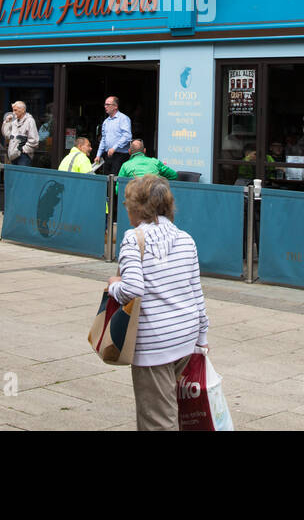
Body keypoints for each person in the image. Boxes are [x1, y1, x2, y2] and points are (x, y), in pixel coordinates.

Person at [107, 176, 209, 431]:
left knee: (158, 421)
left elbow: (131, 289)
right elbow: (196, 292)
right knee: (172, 410)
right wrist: (202, 338)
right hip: (185, 337)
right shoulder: (186, 239)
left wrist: (112, 286)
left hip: (154, 343)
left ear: (139, 208)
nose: (127, 209)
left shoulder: (133, 239)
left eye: (129, 204)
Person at [95, 95, 132, 177]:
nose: (105, 106)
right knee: (106, 179)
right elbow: (103, 139)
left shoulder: (123, 118)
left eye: (108, 104)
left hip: (120, 155)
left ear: (115, 106)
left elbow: (127, 136)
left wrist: (114, 148)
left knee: (115, 179)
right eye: (105, 104)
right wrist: (98, 155)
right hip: (108, 154)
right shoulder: (106, 121)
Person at [1, 100, 38, 167]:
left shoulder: (30, 121)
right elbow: (7, 135)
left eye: (15, 110)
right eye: (13, 110)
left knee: (22, 176)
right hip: (13, 155)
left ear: (23, 110)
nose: (13, 112)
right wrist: (7, 122)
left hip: (24, 156)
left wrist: (23, 150)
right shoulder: (14, 121)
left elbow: (34, 140)